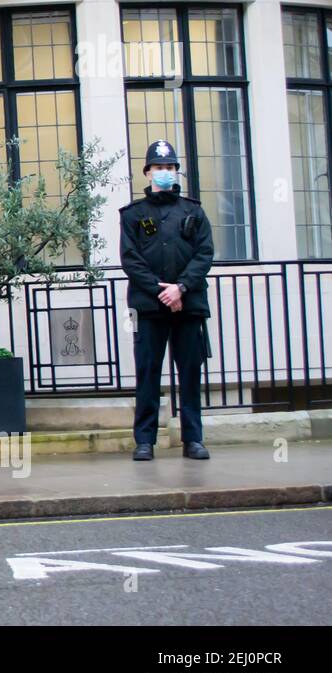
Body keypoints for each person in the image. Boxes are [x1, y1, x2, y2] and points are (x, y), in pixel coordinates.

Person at [118, 140, 214, 462]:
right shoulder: (133, 215)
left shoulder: (193, 211)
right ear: (147, 172)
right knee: (148, 373)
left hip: (188, 305)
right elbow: (131, 260)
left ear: (177, 171)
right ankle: (144, 441)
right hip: (148, 307)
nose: (165, 173)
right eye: (158, 167)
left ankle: (193, 440)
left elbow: (204, 254)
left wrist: (181, 288)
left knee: (190, 373)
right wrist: (163, 292)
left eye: (170, 167)